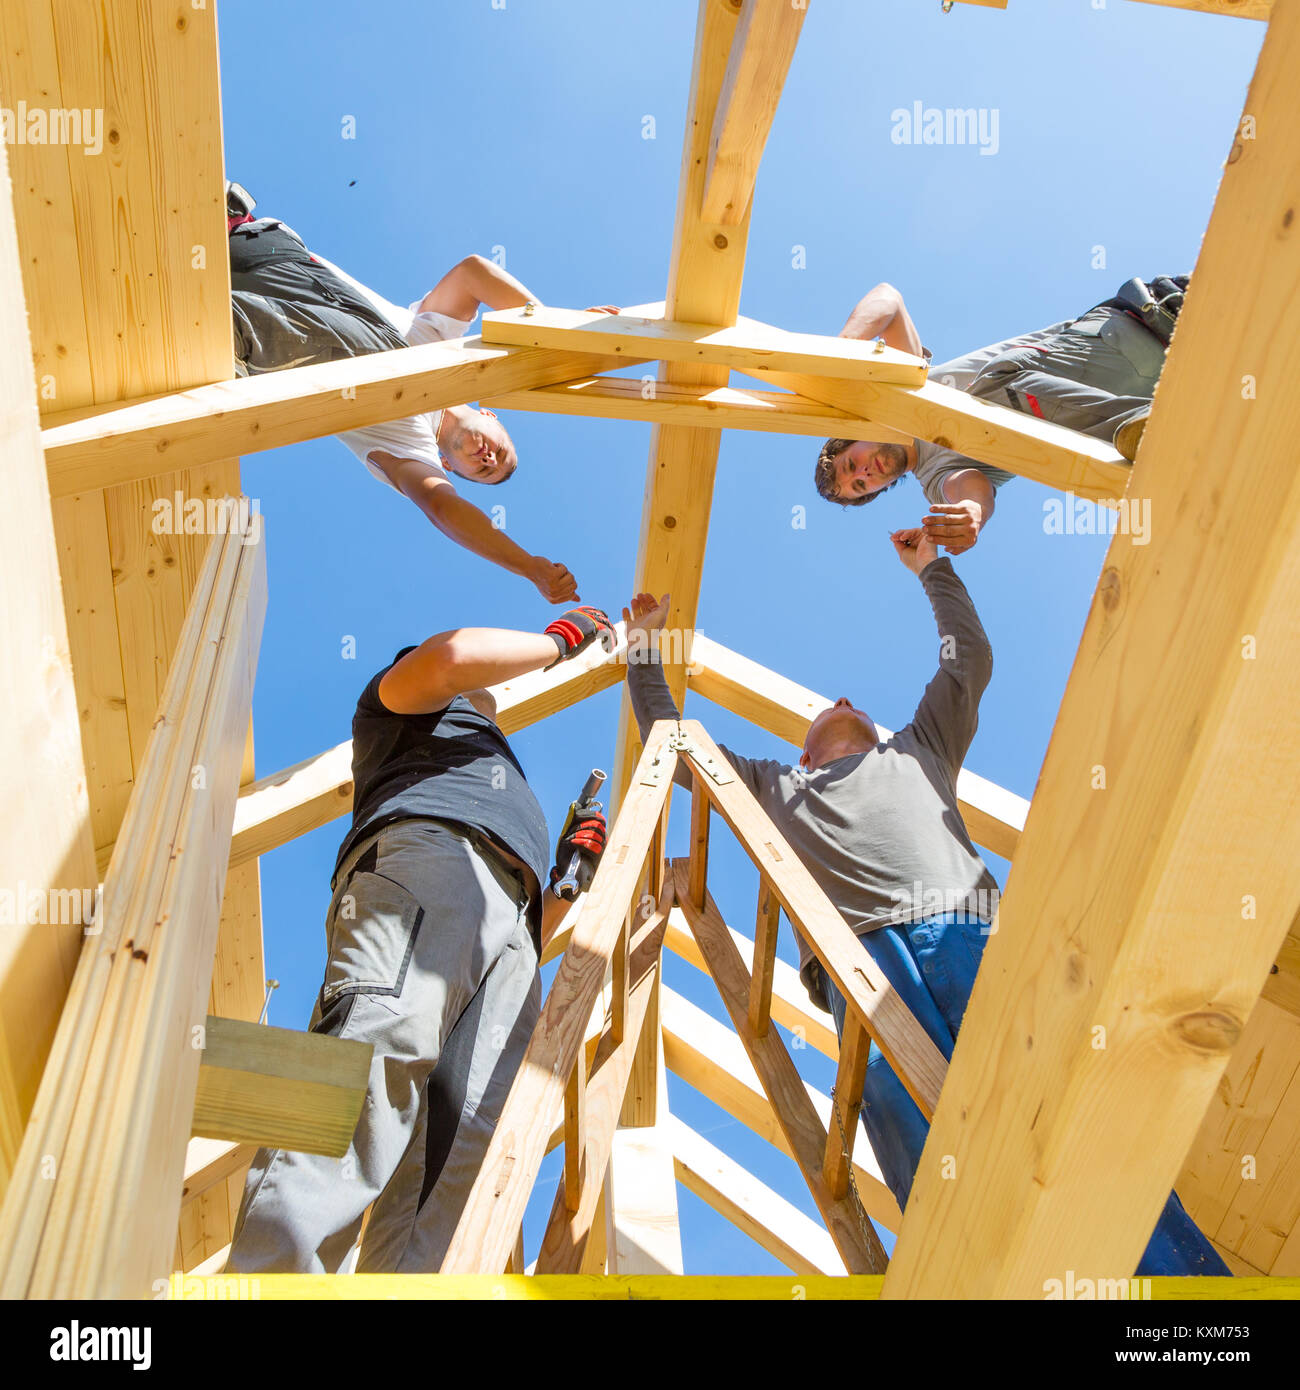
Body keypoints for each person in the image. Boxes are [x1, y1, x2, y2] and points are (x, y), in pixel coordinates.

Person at [619, 533, 1228, 1276]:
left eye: (850, 699)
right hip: (857, 968)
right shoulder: (776, 785)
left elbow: (969, 661)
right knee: (934, 1165)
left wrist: (933, 569)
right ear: (806, 748)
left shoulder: (919, 748)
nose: (841, 698)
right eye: (825, 705)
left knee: (1054, 1120)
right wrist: (642, 653)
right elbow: (674, 748)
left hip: (965, 932)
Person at [226, 604, 616, 1274]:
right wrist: (562, 641)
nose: (493, 694)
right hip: (427, 860)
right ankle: (272, 1283)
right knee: (375, 1058)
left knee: (461, 1146)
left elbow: (523, 922)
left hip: (514, 923)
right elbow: (454, 657)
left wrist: (571, 875)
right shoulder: (399, 711)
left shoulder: (487, 758)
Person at [226, 180, 617, 602]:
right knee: (391, 357)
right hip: (260, 247)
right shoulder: (438, 341)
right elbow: (473, 274)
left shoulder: (406, 444)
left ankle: (218, 336)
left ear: (447, 466)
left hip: (237, 310)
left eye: (484, 470)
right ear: (492, 415)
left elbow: (442, 508)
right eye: (500, 452)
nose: (488, 457)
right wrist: (554, 327)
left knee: (381, 372)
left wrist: (528, 567)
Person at [812, 276, 1186, 554]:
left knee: (987, 396)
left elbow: (888, 299)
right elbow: (970, 488)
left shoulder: (907, 388)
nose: (864, 473)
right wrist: (971, 513)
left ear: (854, 436)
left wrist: (842, 351)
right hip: (1181, 371)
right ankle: (1160, 436)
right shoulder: (936, 479)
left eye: (850, 465)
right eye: (861, 485)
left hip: (1141, 321)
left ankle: (1151, 430)